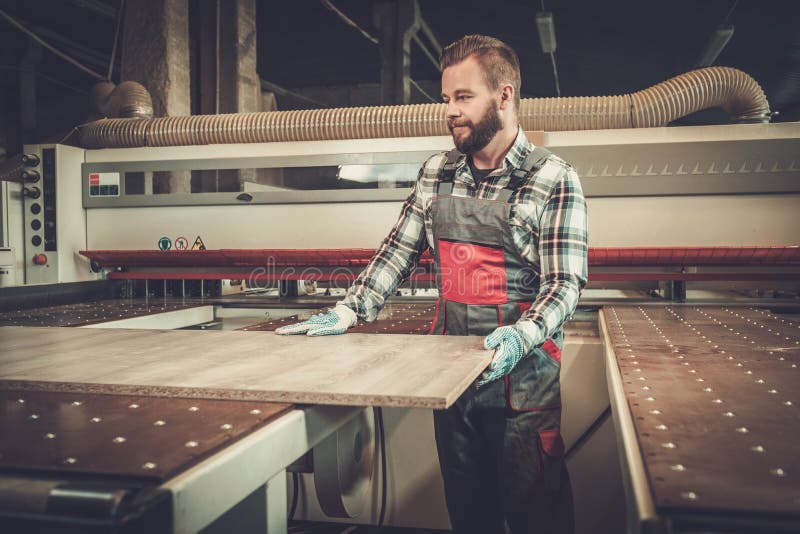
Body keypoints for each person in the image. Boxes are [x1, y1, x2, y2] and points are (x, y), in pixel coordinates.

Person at [277, 34, 588, 534]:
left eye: (463, 97)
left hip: (522, 391)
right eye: (446, 99)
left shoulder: (552, 179)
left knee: (538, 517)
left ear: (504, 95)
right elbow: (399, 250)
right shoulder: (436, 173)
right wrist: (348, 309)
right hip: (452, 385)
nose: (451, 111)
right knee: (469, 516)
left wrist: (521, 335)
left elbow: (564, 284)